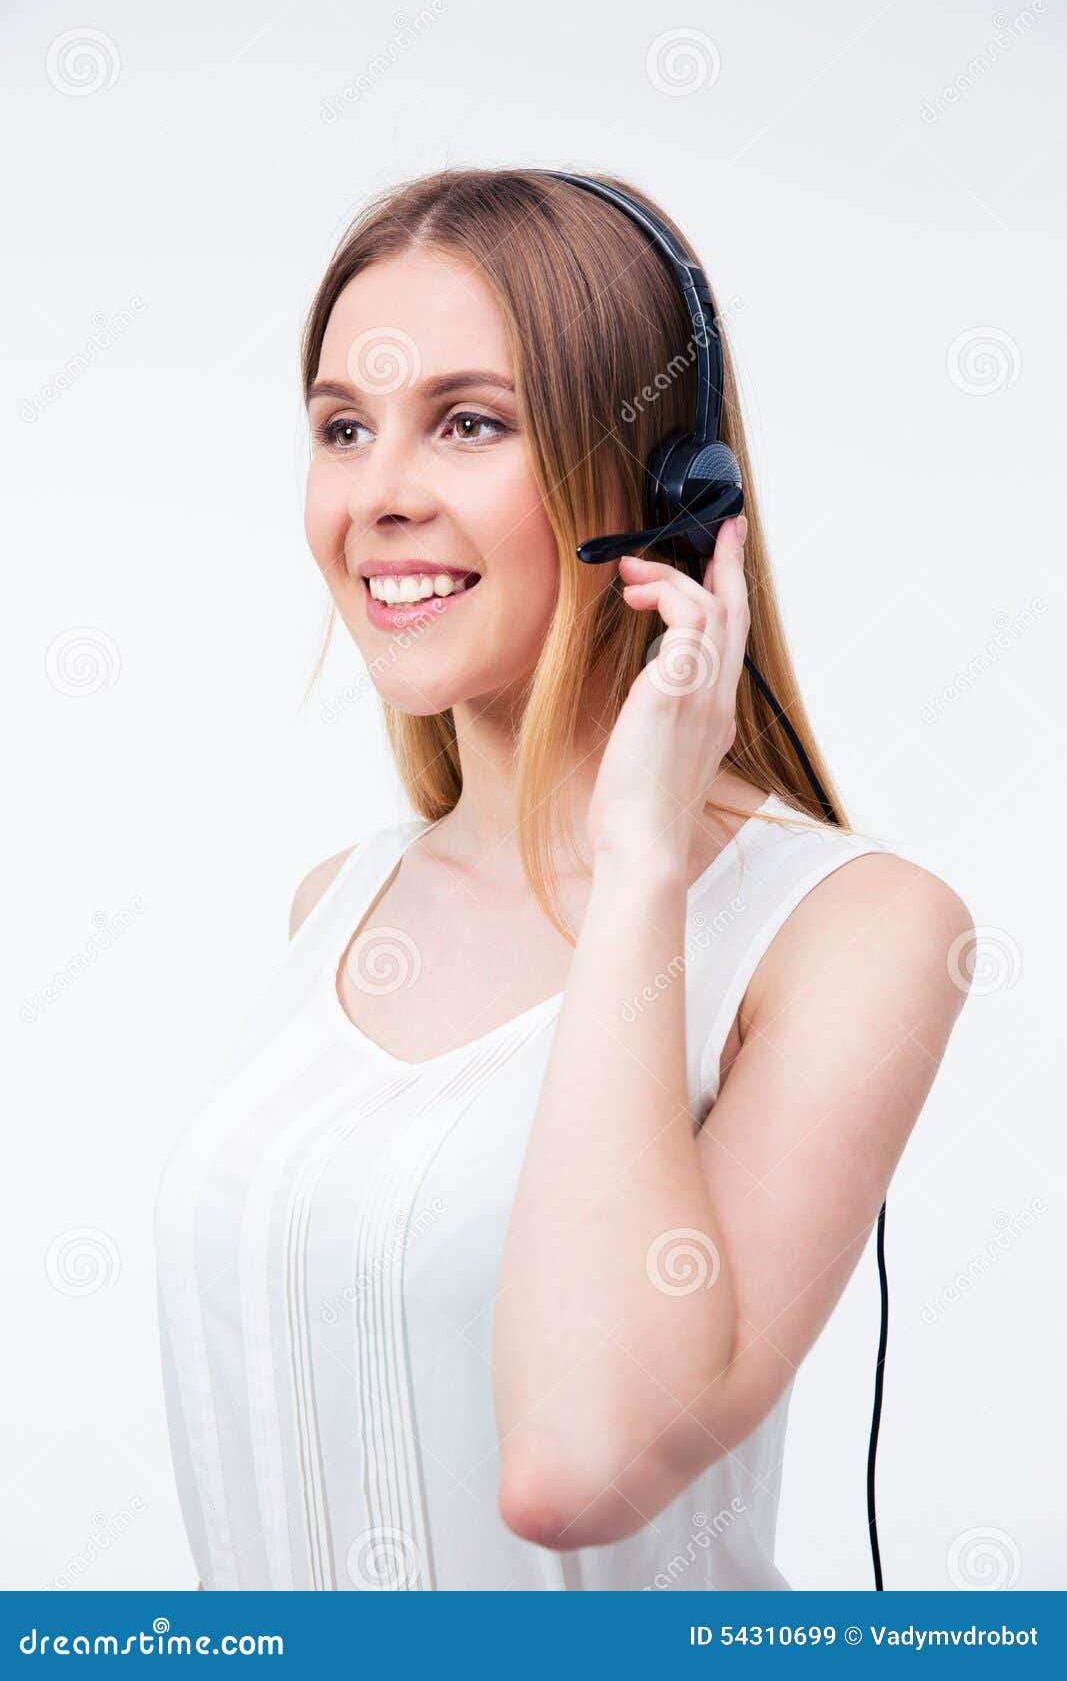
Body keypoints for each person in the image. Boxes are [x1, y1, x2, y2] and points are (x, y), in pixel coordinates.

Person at [156, 167, 974, 1591]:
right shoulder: (334, 907)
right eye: (343, 428)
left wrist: (644, 856)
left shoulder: (853, 931)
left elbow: (573, 1465)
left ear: (664, 489)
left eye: (468, 422)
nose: (380, 495)